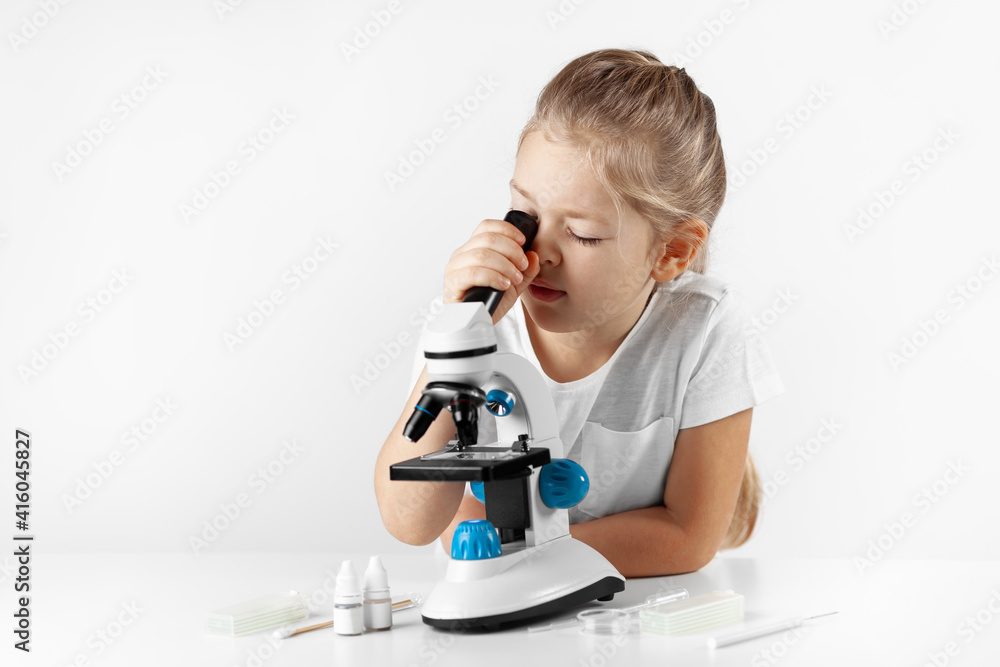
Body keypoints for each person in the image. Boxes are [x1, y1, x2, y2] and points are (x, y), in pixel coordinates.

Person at [374, 48, 783, 577]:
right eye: (526, 213)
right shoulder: (478, 324)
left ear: (671, 252)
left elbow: (686, 538)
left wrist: (537, 554)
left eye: (583, 233)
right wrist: (461, 338)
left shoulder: (706, 330)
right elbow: (411, 524)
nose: (540, 253)